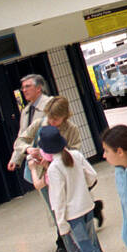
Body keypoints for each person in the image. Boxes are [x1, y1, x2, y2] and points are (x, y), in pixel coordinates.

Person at [32, 126, 114, 252]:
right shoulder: (75, 155)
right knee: (92, 247)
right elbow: (92, 176)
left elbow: (58, 200)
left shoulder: (54, 169)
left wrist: (61, 224)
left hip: (73, 216)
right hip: (87, 207)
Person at [7, 74, 68, 252]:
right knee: (51, 203)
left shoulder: (51, 105)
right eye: (22, 87)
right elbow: (22, 136)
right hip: (39, 162)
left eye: (27, 86)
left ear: (39, 88)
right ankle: (64, 236)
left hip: (55, 159)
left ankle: (65, 239)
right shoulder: (26, 112)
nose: (23, 90)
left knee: (61, 199)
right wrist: (16, 158)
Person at [27, 95, 104, 230]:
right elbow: (21, 140)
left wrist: (49, 159)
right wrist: (28, 150)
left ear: (65, 116)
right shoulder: (40, 125)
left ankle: (70, 233)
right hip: (47, 171)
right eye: (49, 117)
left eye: (55, 119)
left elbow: (76, 152)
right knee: (60, 206)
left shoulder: (72, 129)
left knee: (66, 206)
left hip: (65, 171)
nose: (51, 121)